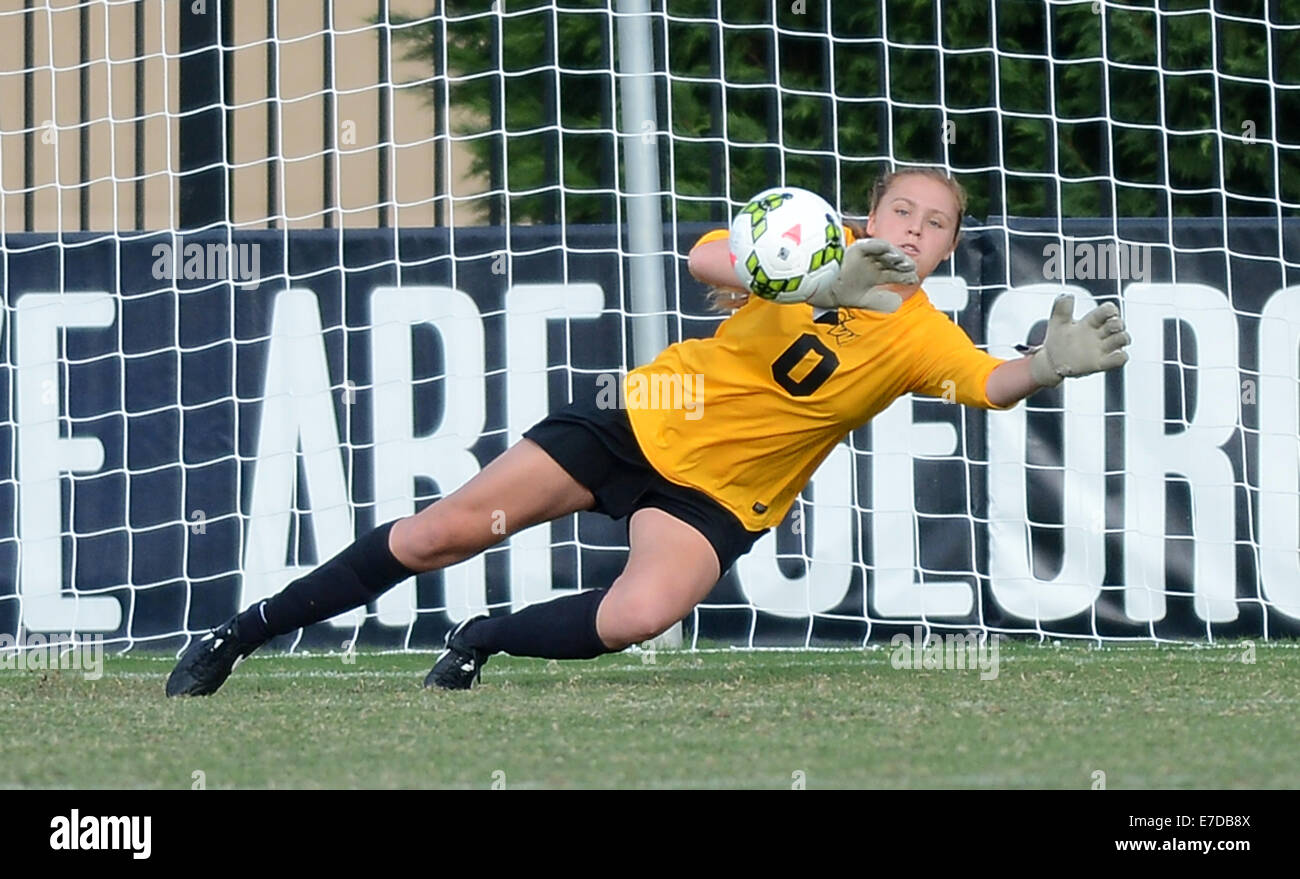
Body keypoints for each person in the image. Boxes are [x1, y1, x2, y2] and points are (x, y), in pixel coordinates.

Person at [166, 167, 1130, 696]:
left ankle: (482, 635)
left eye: (935, 223)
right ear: (865, 213)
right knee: (438, 533)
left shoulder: (922, 335)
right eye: (901, 210)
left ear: (952, 246)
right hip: (638, 424)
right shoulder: (809, 247)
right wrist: (814, 281)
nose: (914, 230)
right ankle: (239, 635)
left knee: (637, 618)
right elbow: (710, 253)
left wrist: (1046, 365)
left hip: (718, 497)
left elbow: (989, 381)